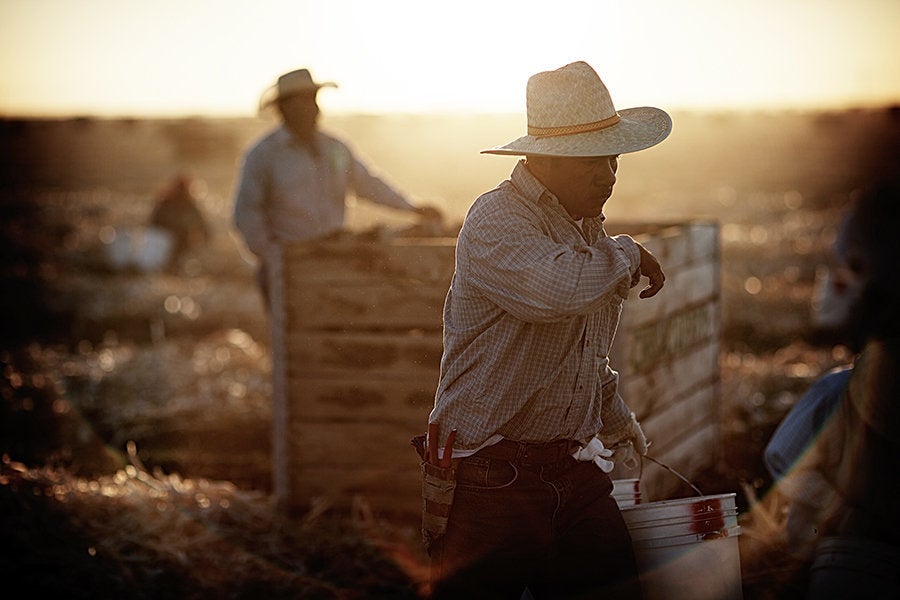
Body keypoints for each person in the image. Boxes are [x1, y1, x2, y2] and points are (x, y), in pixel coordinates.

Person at [419, 61, 671, 599]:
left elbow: (581, 353)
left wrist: (616, 417)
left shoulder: (586, 230)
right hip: (491, 478)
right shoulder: (496, 219)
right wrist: (627, 254)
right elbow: (557, 294)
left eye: (614, 158)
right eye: (593, 160)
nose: (608, 175)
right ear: (544, 160)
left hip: (572, 469)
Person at [765, 184, 900, 598]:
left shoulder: (839, 391)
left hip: (857, 565)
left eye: (845, 266)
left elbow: (781, 456)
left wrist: (834, 509)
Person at [232, 68, 443, 306]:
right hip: (289, 263)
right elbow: (246, 213)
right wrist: (273, 256)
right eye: (303, 100)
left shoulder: (334, 147)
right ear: (284, 108)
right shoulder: (264, 155)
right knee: (292, 333)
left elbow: (368, 183)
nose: (312, 108)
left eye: (313, 99)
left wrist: (411, 207)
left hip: (336, 257)